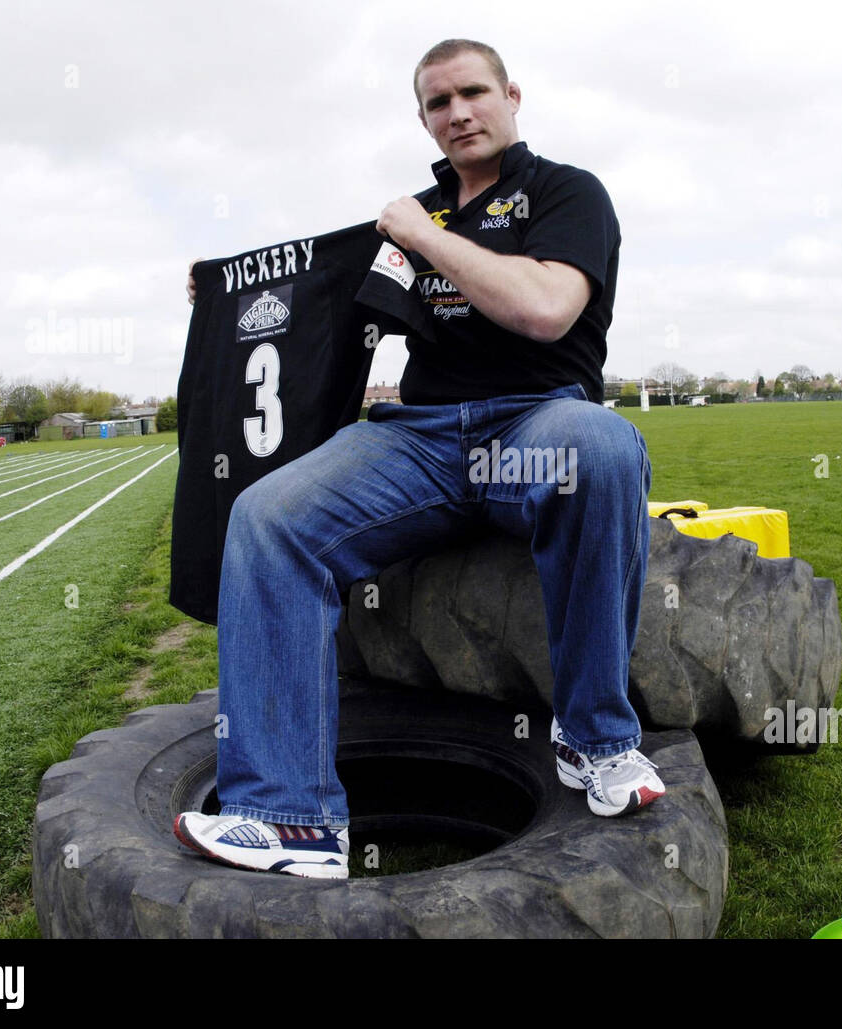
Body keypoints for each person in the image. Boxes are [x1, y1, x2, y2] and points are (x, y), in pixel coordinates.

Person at [173, 39, 663, 879]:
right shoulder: (414, 214)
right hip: (421, 438)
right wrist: (233, 296)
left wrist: (422, 236)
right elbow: (321, 306)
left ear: (512, 95)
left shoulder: (566, 192)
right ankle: (289, 816)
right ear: (423, 118)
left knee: (604, 448)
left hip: (535, 424)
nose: (458, 113)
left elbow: (546, 309)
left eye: (473, 93)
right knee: (268, 517)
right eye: (438, 103)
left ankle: (595, 740)